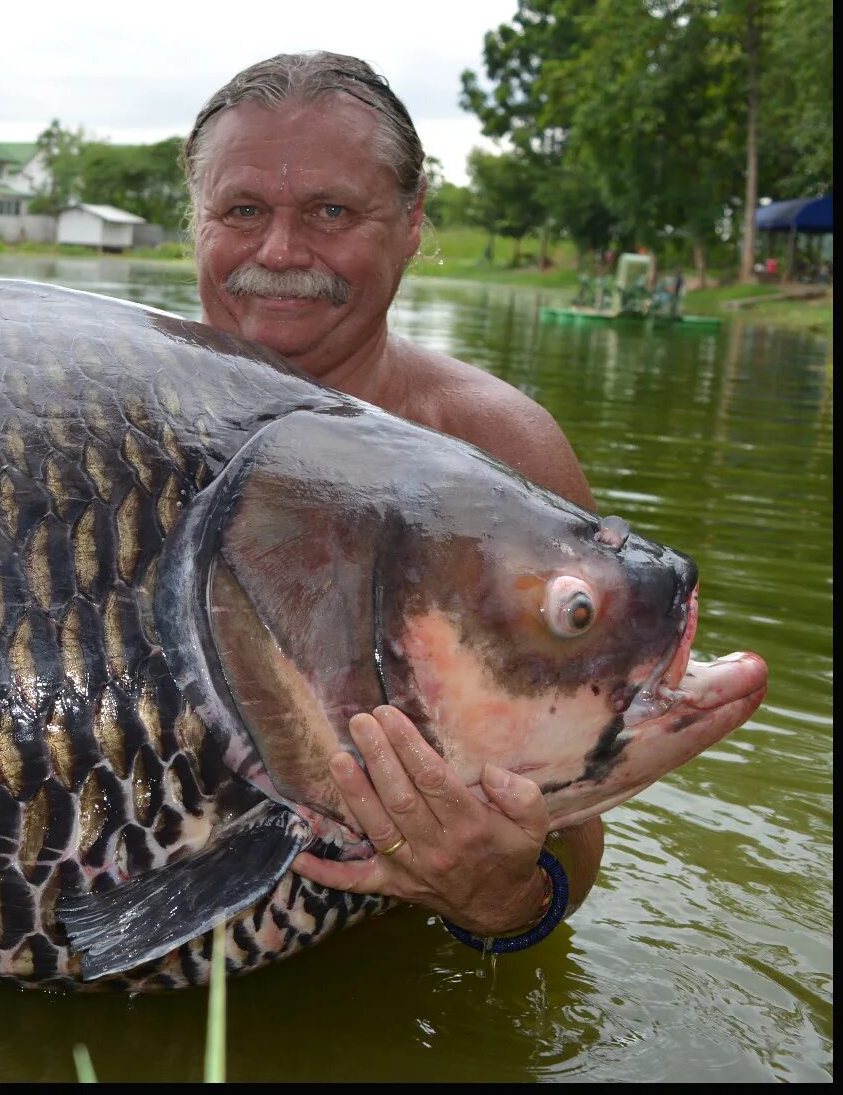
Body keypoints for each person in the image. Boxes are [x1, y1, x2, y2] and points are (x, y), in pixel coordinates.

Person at [180, 51, 605, 944]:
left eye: (331, 212)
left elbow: (576, 830)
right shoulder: (102, 422)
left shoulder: (499, 451)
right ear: (196, 220)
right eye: (243, 210)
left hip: (369, 959)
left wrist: (502, 898)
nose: (280, 253)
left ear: (412, 222)